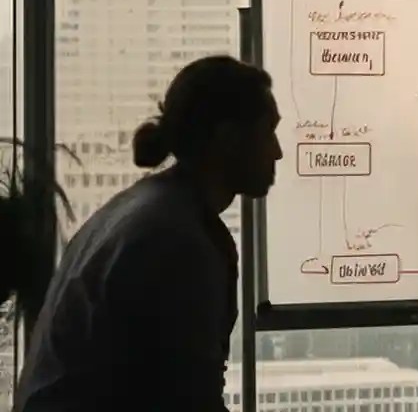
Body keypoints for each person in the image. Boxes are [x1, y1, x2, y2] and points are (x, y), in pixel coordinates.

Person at [14, 56, 282, 412]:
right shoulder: (178, 242)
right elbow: (189, 400)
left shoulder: (146, 210)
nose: (278, 151)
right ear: (228, 138)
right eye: (268, 131)